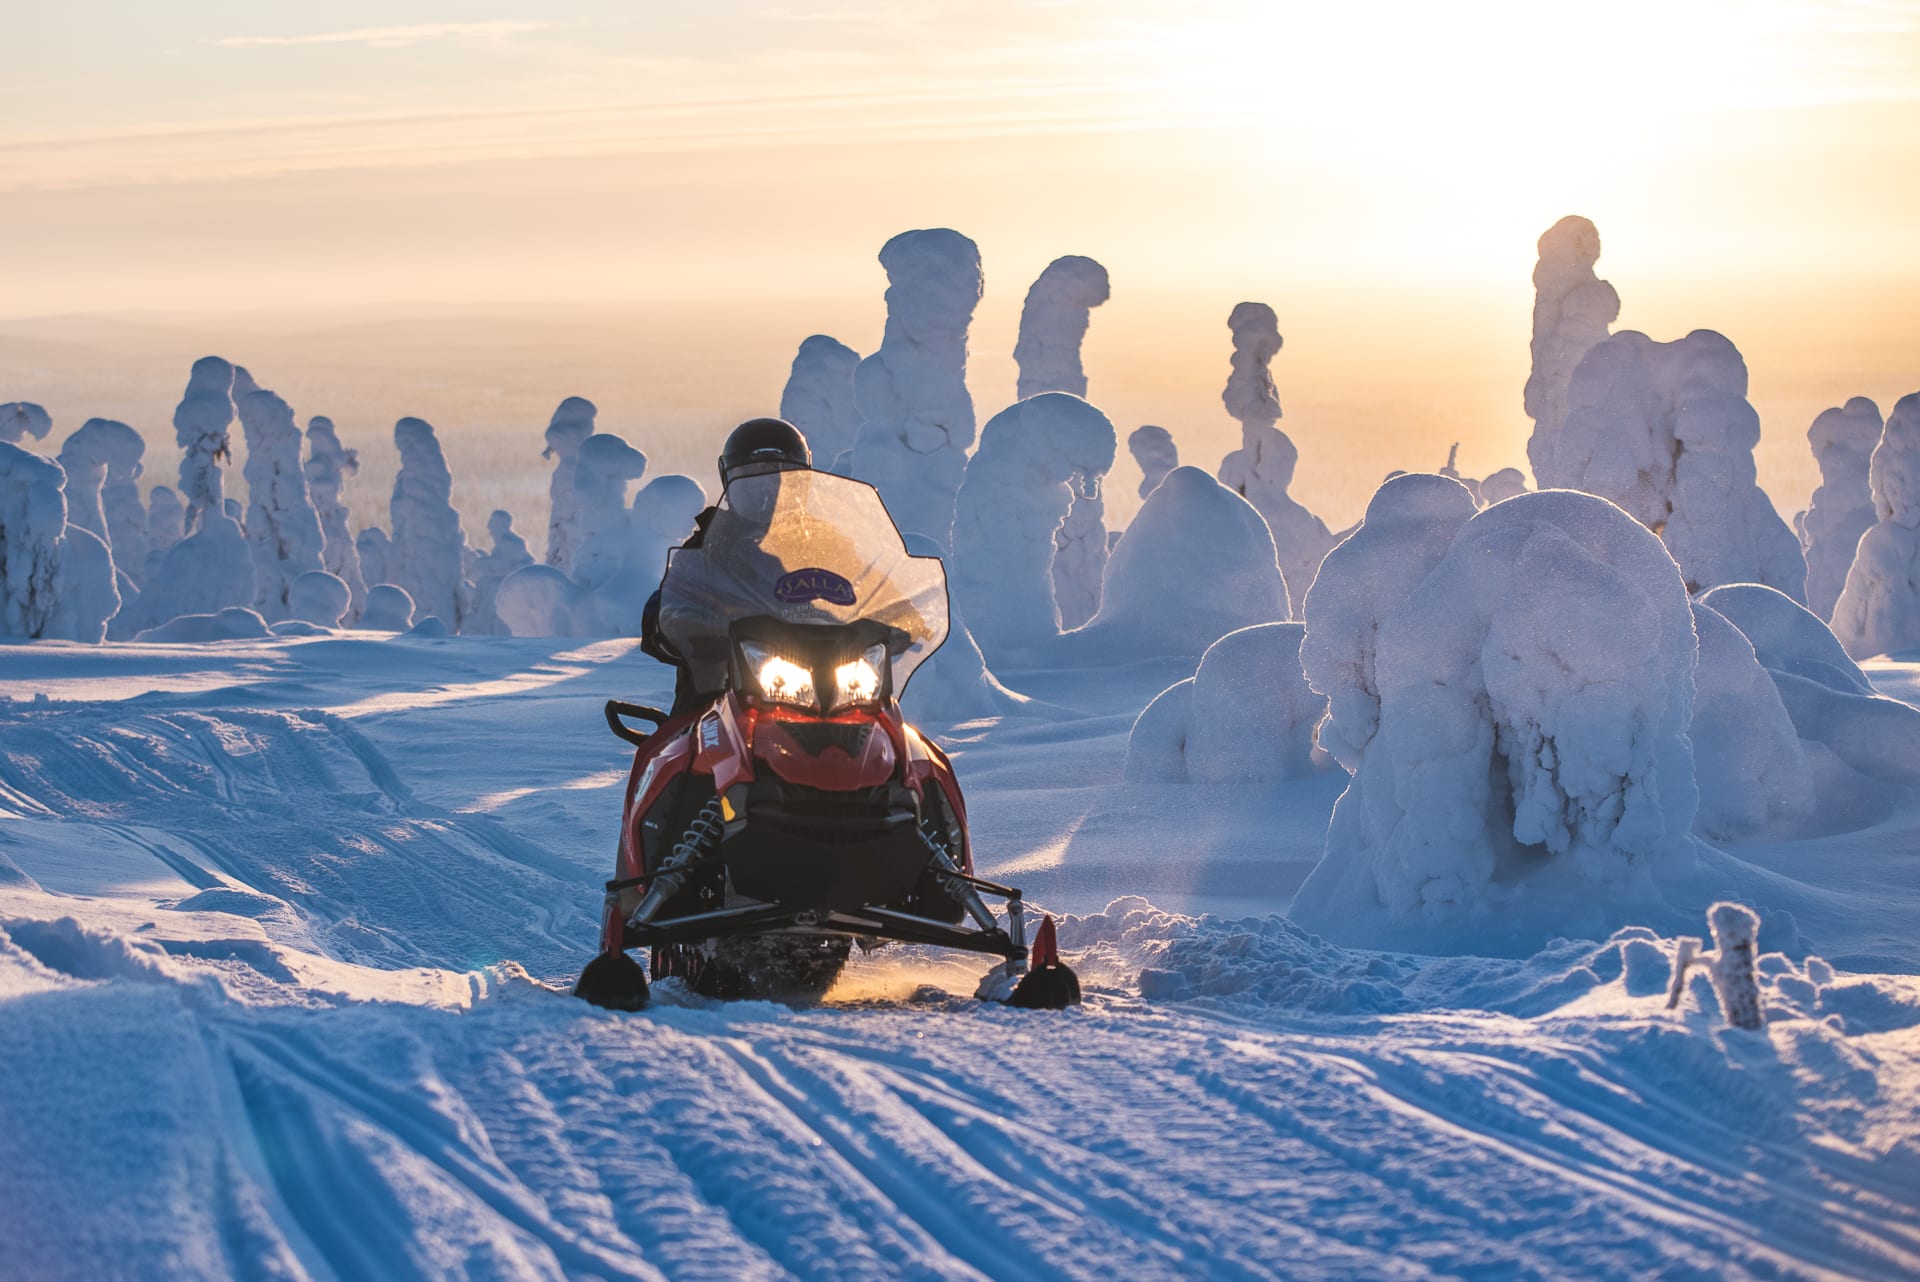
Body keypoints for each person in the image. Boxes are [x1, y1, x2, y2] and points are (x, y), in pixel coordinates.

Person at [641, 418, 813, 714]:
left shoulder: (819, 545)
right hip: (719, 699)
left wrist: (893, 618)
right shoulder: (709, 546)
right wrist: (679, 618)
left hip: (817, 690)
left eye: (779, 479)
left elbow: (862, 587)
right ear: (730, 484)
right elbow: (663, 609)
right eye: (753, 481)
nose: (766, 492)